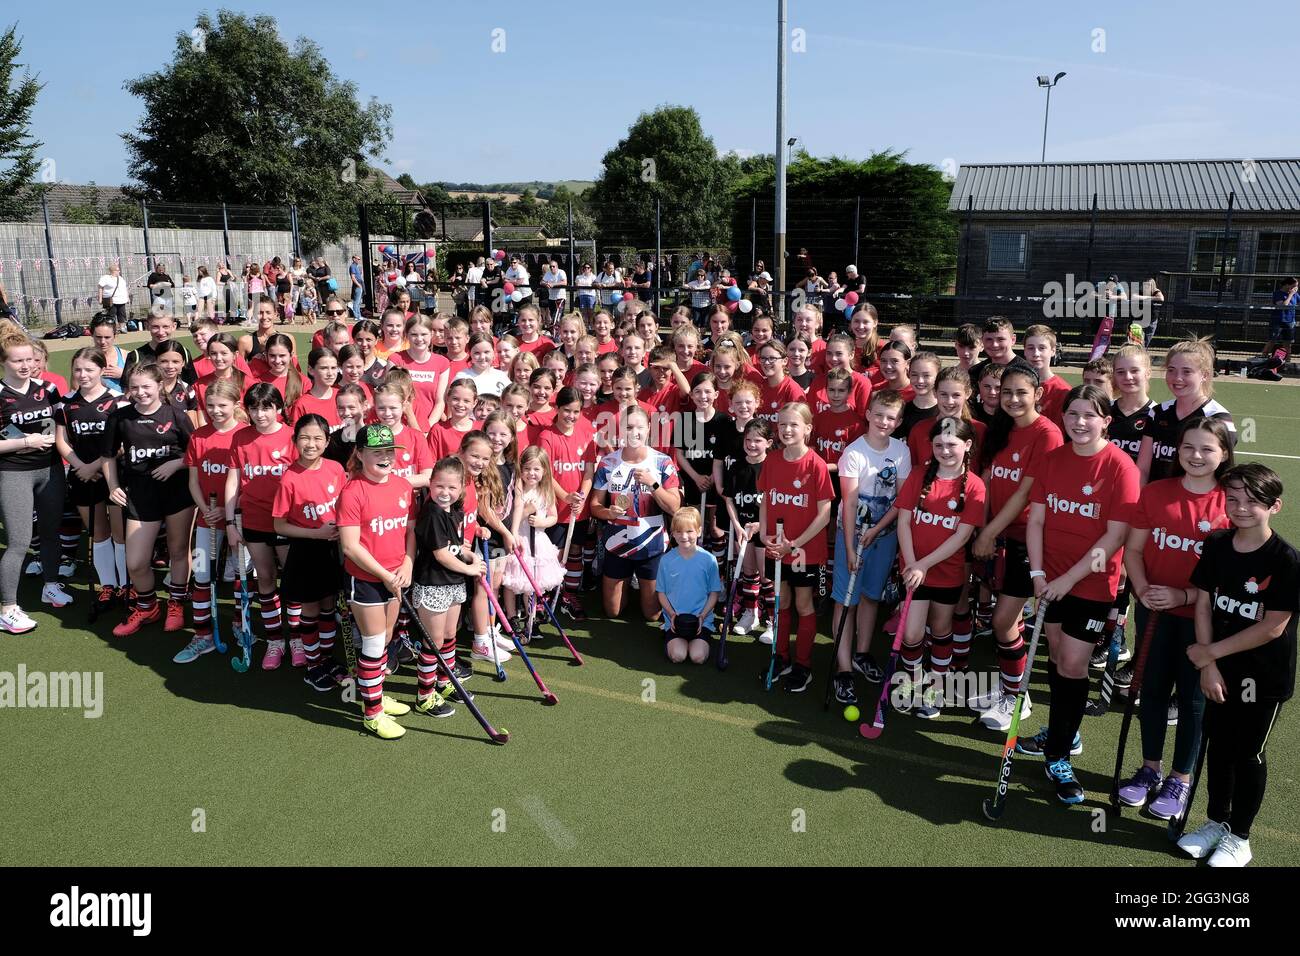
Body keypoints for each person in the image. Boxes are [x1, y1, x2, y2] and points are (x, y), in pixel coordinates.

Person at [1019, 384, 1140, 805]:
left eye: (1090, 415)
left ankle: (1059, 754)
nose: (1080, 423)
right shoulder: (1052, 460)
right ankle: (1062, 732)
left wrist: (1065, 581)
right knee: (1055, 655)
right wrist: (1037, 573)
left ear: (1106, 420)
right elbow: (1036, 521)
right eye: (1073, 414)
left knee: (1072, 663)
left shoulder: (1121, 467)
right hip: (1049, 578)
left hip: (1089, 584)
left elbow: (1114, 535)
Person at [1179, 463, 1299, 867]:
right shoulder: (1216, 544)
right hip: (1219, 670)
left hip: (1261, 677)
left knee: (1247, 751)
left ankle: (1240, 837)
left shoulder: (1285, 560)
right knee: (1218, 745)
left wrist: (1209, 654)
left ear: (1275, 506)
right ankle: (1216, 822)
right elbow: (1204, 604)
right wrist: (1209, 666)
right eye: (1233, 499)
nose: (1241, 508)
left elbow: (1272, 627)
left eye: (1252, 501)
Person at [1117, 417, 1233, 819]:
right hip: (1153, 612)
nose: (1196, 456)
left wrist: (1182, 595)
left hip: (1202, 621)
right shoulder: (1156, 493)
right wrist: (1144, 589)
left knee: (1192, 700)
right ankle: (1150, 769)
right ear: (1177, 450)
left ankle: (1180, 780)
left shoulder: (1230, 504)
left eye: (1207, 449)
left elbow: (1231, 575)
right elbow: (1133, 551)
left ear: (1223, 455)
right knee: (1150, 692)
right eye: (1188, 448)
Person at [969, 366, 1063, 731]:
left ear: (1037, 393)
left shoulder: (1047, 433)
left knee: (1002, 621)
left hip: (1030, 540)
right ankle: (1011, 685)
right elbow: (991, 479)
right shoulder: (1004, 427)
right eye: (1006, 392)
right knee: (1009, 619)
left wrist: (987, 532)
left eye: (1021, 392)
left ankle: (1017, 698)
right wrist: (981, 523)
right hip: (1001, 535)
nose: (1012, 399)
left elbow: (1026, 491)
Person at [894, 416, 986, 718]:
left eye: (952, 444)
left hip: (945, 573)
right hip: (912, 571)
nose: (945, 450)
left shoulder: (974, 485)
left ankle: (934, 690)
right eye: (938, 445)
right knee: (911, 634)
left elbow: (962, 535)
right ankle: (912, 681)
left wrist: (923, 564)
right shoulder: (919, 475)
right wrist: (910, 564)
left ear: (967, 445)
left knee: (942, 629)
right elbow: (904, 521)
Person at [336, 423, 417, 740]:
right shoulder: (352, 491)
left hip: (397, 576)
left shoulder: (402, 486)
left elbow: (409, 530)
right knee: (371, 645)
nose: (385, 458)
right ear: (360, 453)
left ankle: (376, 694)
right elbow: (350, 546)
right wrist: (385, 575)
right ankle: (372, 714)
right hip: (368, 580)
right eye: (376, 452)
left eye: (389, 451)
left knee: (384, 639)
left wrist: (408, 562)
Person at [104, 363, 196, 637]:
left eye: (146, 386)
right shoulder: (119, 418)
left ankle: (176, 603)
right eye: (134, 387)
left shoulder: (177, 415)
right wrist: (112, 486)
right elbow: (108, 456)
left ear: (159, 386)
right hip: (141, 496)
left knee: (178, 551)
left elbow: (196, 453)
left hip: (178, 493)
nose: (141, 392)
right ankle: (148, 606)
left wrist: (176, 464)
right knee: (136, 561)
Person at [829, 391, 909, 704]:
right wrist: (850, 548)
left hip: (882, 534)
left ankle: (862, 654)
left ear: (899, 421)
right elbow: (848, 501)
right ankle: (844, 668)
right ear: (868, 413)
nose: (884, 422)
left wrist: (877, 528)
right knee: (845, 600)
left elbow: (901, 499)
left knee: (870, 597)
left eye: (891, 418)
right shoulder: (853, 452)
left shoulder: (901, 451)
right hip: (852, 535)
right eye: (879, 415)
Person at [0, 326, 73, 631]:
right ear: (4, 362)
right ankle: (7, 608)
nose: (26, 365)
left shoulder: (49, 389)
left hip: (52, 470)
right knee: (18, 542)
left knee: (51, 532)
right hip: (15, 472)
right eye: (18, 361)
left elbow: (61, 428)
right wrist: (25, 443)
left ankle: (51, 585)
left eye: (30, 359)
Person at [757, 402, 833, 693]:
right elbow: (765, 498)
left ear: (808, 429)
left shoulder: (815, 465)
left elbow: (824, 512)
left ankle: (803, 665)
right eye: (782, 424)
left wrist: (795, 544)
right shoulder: (772, 460)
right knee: (781, 603)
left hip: (804, 551)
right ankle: (781, 657)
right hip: (777, 548)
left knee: (803, 605)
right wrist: (765, 534)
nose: (787, 430)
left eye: (794, 425)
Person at [410, 455, 489, 719]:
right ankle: (424, 695)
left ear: (461, 489)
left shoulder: (454, 510)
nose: (445, 492)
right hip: (433, 583)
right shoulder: (432, 512)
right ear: (430, 484)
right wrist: (469, 569)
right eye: (439, 486)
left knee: (448, 636)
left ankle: (443, 683)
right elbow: (441, 555)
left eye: (451, 488)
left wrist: (470, 557)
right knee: (433, 642)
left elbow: (456, 547)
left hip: (453, 582)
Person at [271, 414, 347, 691]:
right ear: (294, 441)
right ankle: (312, 664)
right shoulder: (289, 478)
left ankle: (326, 658)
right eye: (304, 437)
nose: (311, 444)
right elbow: (279, 524)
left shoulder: (336, 469)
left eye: (317, 438)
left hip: (333, 550)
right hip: (306, 550)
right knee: (311, 610)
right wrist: (316, 533)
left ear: (327, 442)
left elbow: (344, 507)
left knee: (329, 606)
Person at [224, 384, 297, 669]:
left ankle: (298, 639)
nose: (260, 414)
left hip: (286, 521)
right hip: (253, 519)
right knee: (265, 579)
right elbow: (232, 481)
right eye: (254, 408)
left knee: (290, 580)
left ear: (278, 408)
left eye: (266, 407)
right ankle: (276, 640)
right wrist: (231, 521)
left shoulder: (292, 436)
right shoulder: (241, 437)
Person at [590, 405, 682, 619]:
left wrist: (654, 484)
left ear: (649, 428)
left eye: (639, 427)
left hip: (652, 544)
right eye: (628, 427)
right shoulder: (608, 463)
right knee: (612, 612)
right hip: (617, 543)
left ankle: (638, 582)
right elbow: (595, 506)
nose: (634, 432)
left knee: (652, 615)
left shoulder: (662, 462)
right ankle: (626, 583)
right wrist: (608, 513)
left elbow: (674, 507)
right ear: (620, 429)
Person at [55, 347, 129, 615]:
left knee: (120, 535)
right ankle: (107, 585)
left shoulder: (117, 400)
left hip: (114, 475)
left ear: (101, 370)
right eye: (78, 369)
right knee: (99, 534)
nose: (83, 375)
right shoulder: (65, 403)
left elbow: (123, 442)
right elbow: (61, 441)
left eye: (89, 369)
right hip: (82, 475)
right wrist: (81, 467)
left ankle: (124, 584)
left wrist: (96, 465)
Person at [177, 379, 246, 660]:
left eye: (222, 406)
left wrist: (229, 510)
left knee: (243, 578)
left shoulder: (245, 435)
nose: (216, 411)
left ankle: (242, 625)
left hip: (239, 519)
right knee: (203, 576)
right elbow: (193, 481)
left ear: (235, 405)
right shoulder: (198, 436)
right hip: (207, 519)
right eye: (211, 406)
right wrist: (206, 509)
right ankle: (202, 635)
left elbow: (248, 482)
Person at [1138, 338, 1235, 484]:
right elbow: (1143, 469)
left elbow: (1222, 473)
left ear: (1205, 375)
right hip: (1155, 499)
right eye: (1171, 370)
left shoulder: (1218, 418)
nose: (1177, 378)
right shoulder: (1157, 413)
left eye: (1187, 371)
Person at [656, 506, 722, 665]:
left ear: (699, 531)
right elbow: (661, 592)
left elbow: (714, 593)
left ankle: (701, 639)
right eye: (678, 531)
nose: (684, 536)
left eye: (689, 531)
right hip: (675, 621)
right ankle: (670, 635)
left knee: (697, 657)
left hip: (701, 620)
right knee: (678, 656)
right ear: (672, 533)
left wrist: (702, 616)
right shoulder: (666, 560)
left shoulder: (709, 560)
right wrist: (671, 614)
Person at [1023, 325, 1069, 429]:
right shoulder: (1015, 383)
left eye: (1042, 348)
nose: (1036, 353)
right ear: (1024, 350)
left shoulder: (1062, 391)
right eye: (1031, 348)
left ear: (1053, 351)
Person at [88, 314, 128, 391]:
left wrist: (124, 375)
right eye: (98, 337)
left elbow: (142, 384)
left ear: (115, 335)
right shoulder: (84, 359)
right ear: (92, 335)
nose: (103, 342)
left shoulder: (126, 356)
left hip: (124, 402)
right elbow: (75, 390)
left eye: (107, 337)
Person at [1265, 276, 1298, 359]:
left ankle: (1287, 360)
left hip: (1290, 321)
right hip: (1278, 320)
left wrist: (1293, 294)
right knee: (1272, 340)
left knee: (1288, 342)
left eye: (1296, 286)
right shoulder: (1278, 294)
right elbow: (1283, 306)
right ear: (1287, 285)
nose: (1295, 288)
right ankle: (1263, 356)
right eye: (1294, 286)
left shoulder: (1295, 295)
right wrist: (1290, 295)